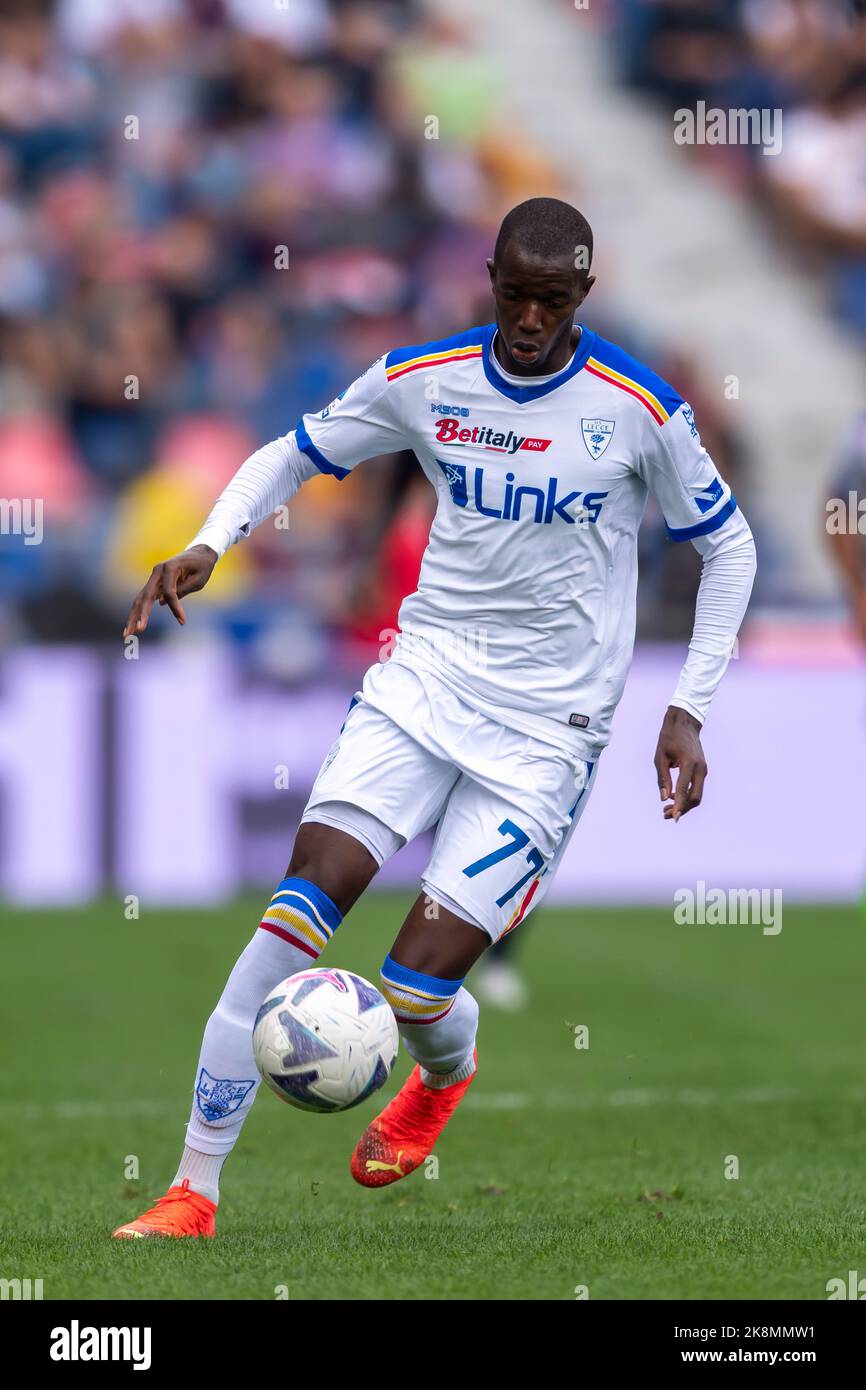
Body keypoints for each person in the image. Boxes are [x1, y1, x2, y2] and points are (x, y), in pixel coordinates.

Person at [113, 197, 756, 1238]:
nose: (531, 317)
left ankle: (438, 1078)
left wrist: (686, 706)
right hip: (419, 686)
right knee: (298, 905)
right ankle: (192, 1189)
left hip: (547, 732)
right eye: (515, 293)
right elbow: (293, 450)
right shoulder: (427, 381)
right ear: (490, 278)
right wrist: (210, 540)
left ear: (583, 295)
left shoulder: (637, 406)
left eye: (553, 300)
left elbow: (728, 547)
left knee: (417, 987)